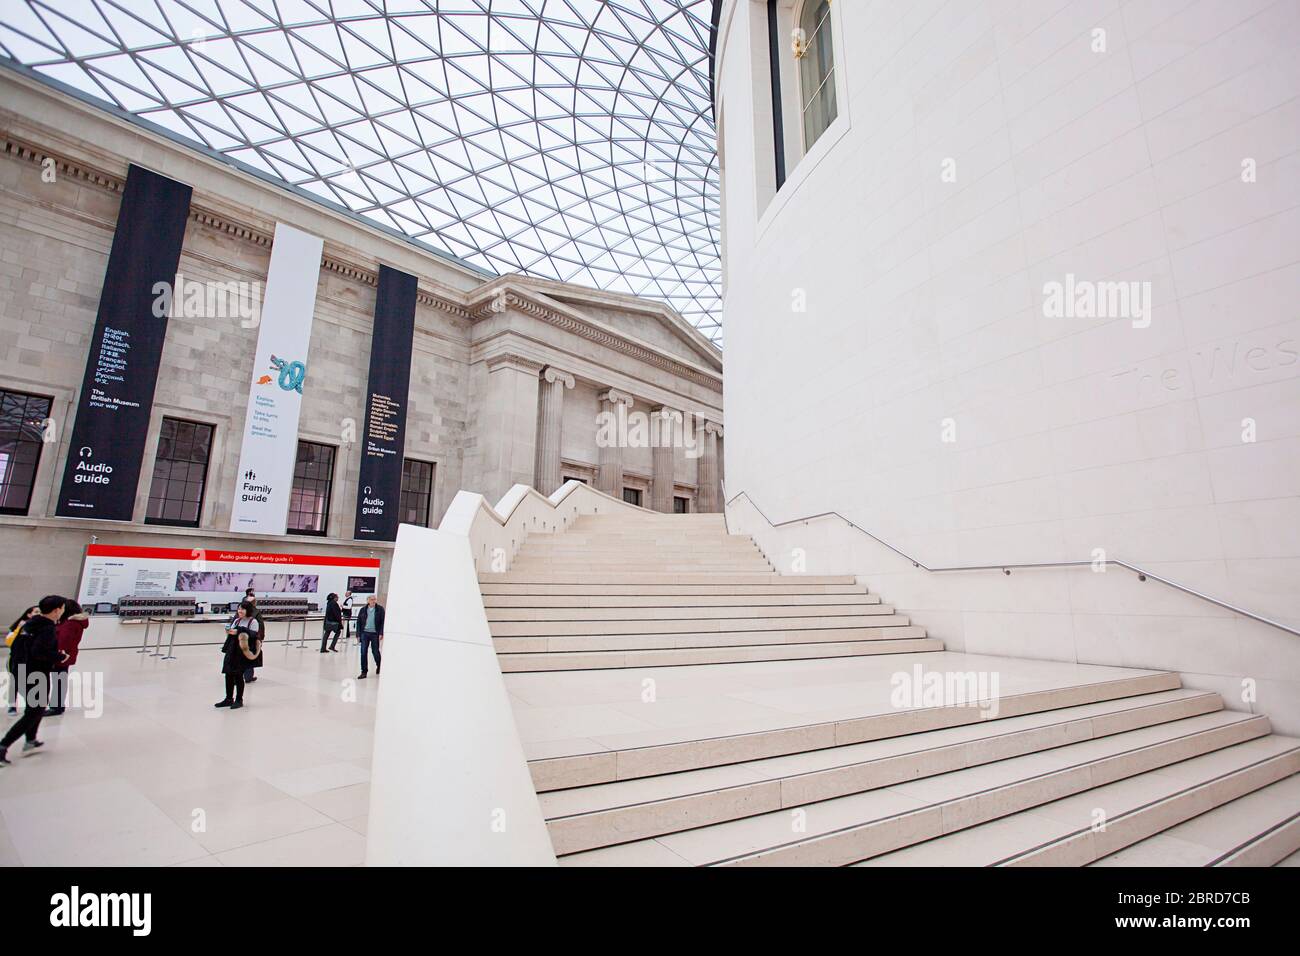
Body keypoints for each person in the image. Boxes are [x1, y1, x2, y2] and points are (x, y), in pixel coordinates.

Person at [0, 595, 65, 766]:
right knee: (34, 711)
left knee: (35, 707)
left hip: (21, 670)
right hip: (35, 674)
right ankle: (3, 745)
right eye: (62, 608)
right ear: (57, 609)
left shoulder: (29, 624)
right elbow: (39, 652)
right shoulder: (47, 628)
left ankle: (30, 740)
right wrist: (60, 656)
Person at [47, 600, 89, 716]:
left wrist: (55, 655)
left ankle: (56, 707)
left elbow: (63, 642)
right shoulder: (71, 622)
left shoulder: (70, 624)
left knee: (59, 681)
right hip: (65, 656)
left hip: (61, 656)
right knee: (60, 680)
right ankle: (57, 706)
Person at [216, 601, 261, 710]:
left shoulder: (253, 621)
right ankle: (228, 698)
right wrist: (229, 631)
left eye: (242, 609)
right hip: (232, 650)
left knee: (238, 675)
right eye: (239, 609)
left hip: (242, 651)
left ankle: (239, 699)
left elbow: (254, 635)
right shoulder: (237, 620)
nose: (240, 611)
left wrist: (240, 631)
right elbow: (232, 632)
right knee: (228, 674)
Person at [5, 606, 37, 716]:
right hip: (17, 659)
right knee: (15, 683)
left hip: (31, 660)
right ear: (28, 614)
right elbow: (10, 642)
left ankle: (31, 705)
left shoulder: (40, 626)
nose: (38, 614)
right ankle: (12, 706)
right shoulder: (22, 625)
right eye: (36, 612)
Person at [355, 595, 383, 679]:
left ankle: (379, 665)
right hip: (364, 633)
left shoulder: (380, 609)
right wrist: (358, 634)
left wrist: (381, 633)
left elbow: (382, 622)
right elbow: (359, 622)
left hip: (375, 634)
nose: (373, 601)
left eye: (375, 599)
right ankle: (364, 671)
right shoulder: (363, 610)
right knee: (363, 652)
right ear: (367, 600)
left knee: (375, 652)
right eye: (371, 599)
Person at [242, 590, 264, 683]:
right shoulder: (256, 612)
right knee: (250, 656)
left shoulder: (240, 611)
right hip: (251, 638)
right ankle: (248, 677)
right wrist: (261, 638)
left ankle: (239, 674)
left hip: (240, 637)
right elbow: (261, 625)